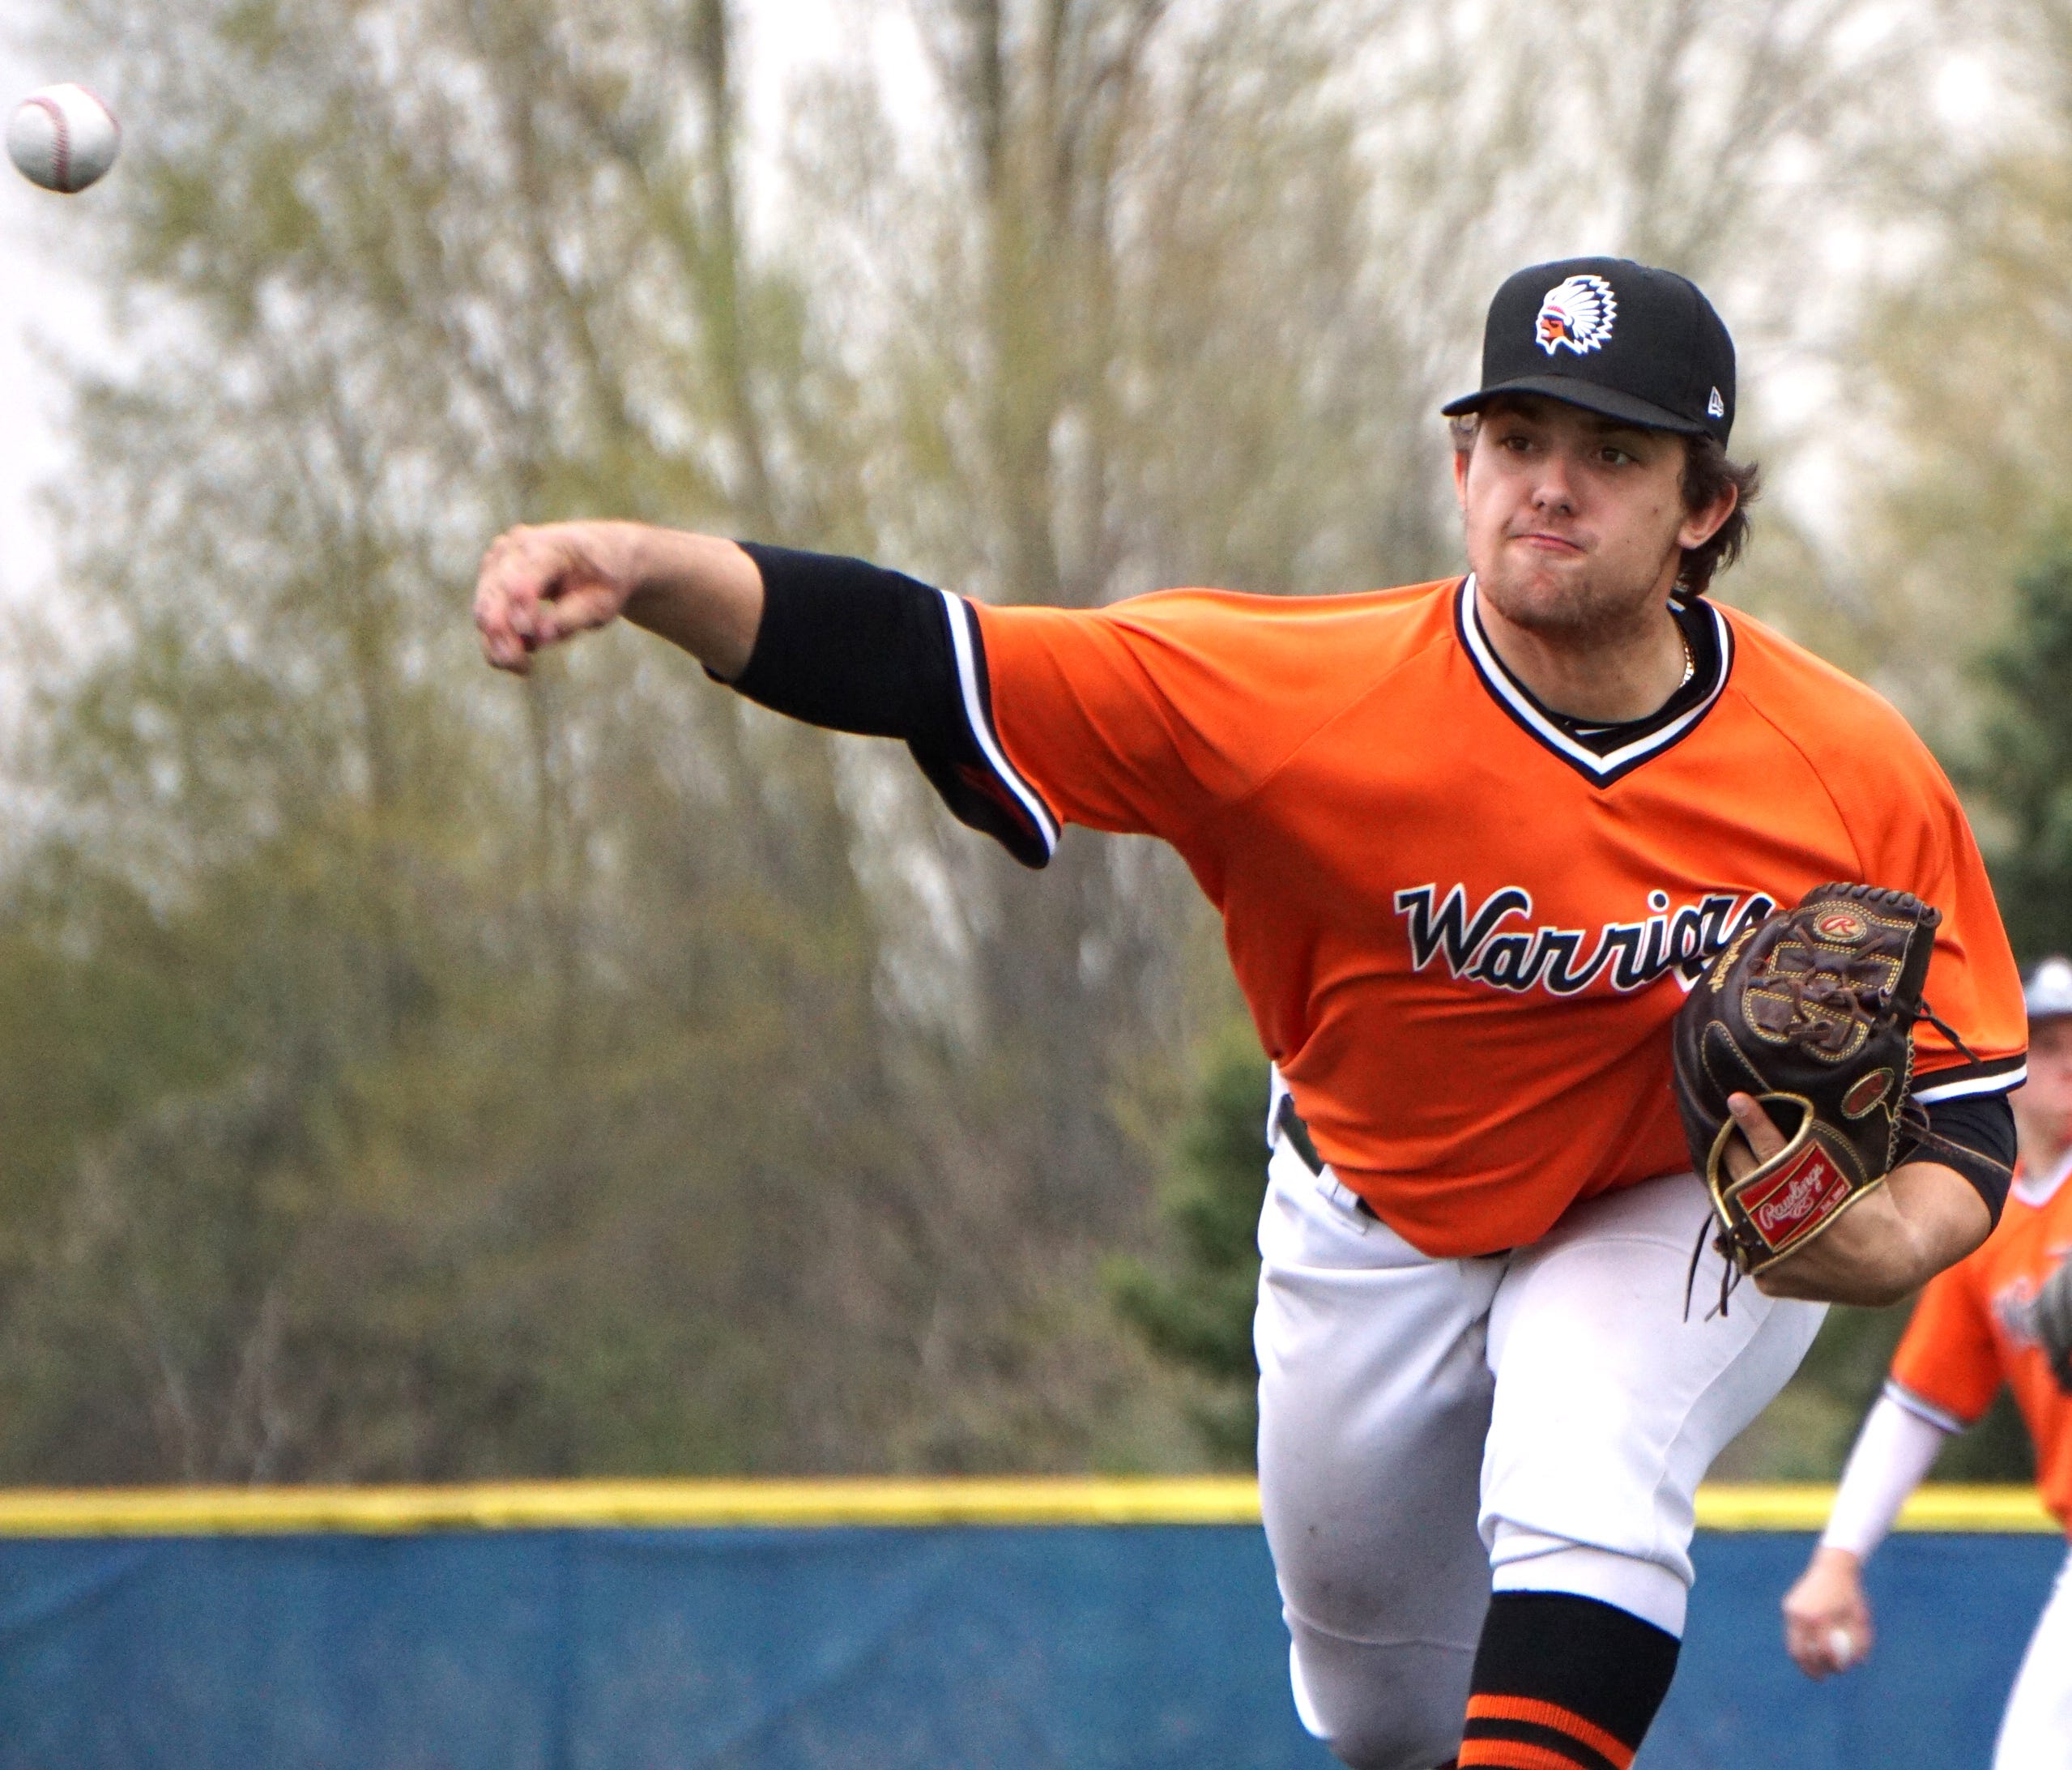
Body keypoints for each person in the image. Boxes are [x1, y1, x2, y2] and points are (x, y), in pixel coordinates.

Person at [472, 257, 2027, 1770]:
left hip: (1668, 1194)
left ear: (1705, 509)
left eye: (1612, 454)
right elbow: (929, 654)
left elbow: (1963, 1093)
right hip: (1375, 1203)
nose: (1548, 485)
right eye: (1514, 441)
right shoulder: (1297, 696)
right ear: (1460, 465)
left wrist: (1888, 1241)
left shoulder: (1841, 763)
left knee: (1586, 1467)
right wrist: (652, 568)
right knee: (1382, 1717)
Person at [1782, 957, 2072, 1759]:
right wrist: (1836, 1560)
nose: (2066, 1058)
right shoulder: (1986, 1221)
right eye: (2044, 1040)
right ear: (2003, 1061)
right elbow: (1917, 1404)